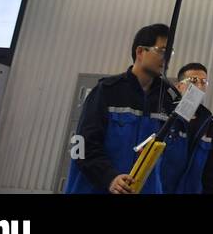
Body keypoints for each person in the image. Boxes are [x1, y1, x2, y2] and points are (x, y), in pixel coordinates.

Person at [64, 23, 176, 194]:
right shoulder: (107, 91)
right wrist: (109, 177)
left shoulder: (167, 99)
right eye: (161, 51)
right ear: (140, 52)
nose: (166, 58)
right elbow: (82, 146)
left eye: (169, 53)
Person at [159, 62, 213, 194]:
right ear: (179, 86)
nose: (199, 86)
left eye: (204, 82)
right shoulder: (164, 116)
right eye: (193, 81)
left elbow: (209, 175)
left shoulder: (210, 125)